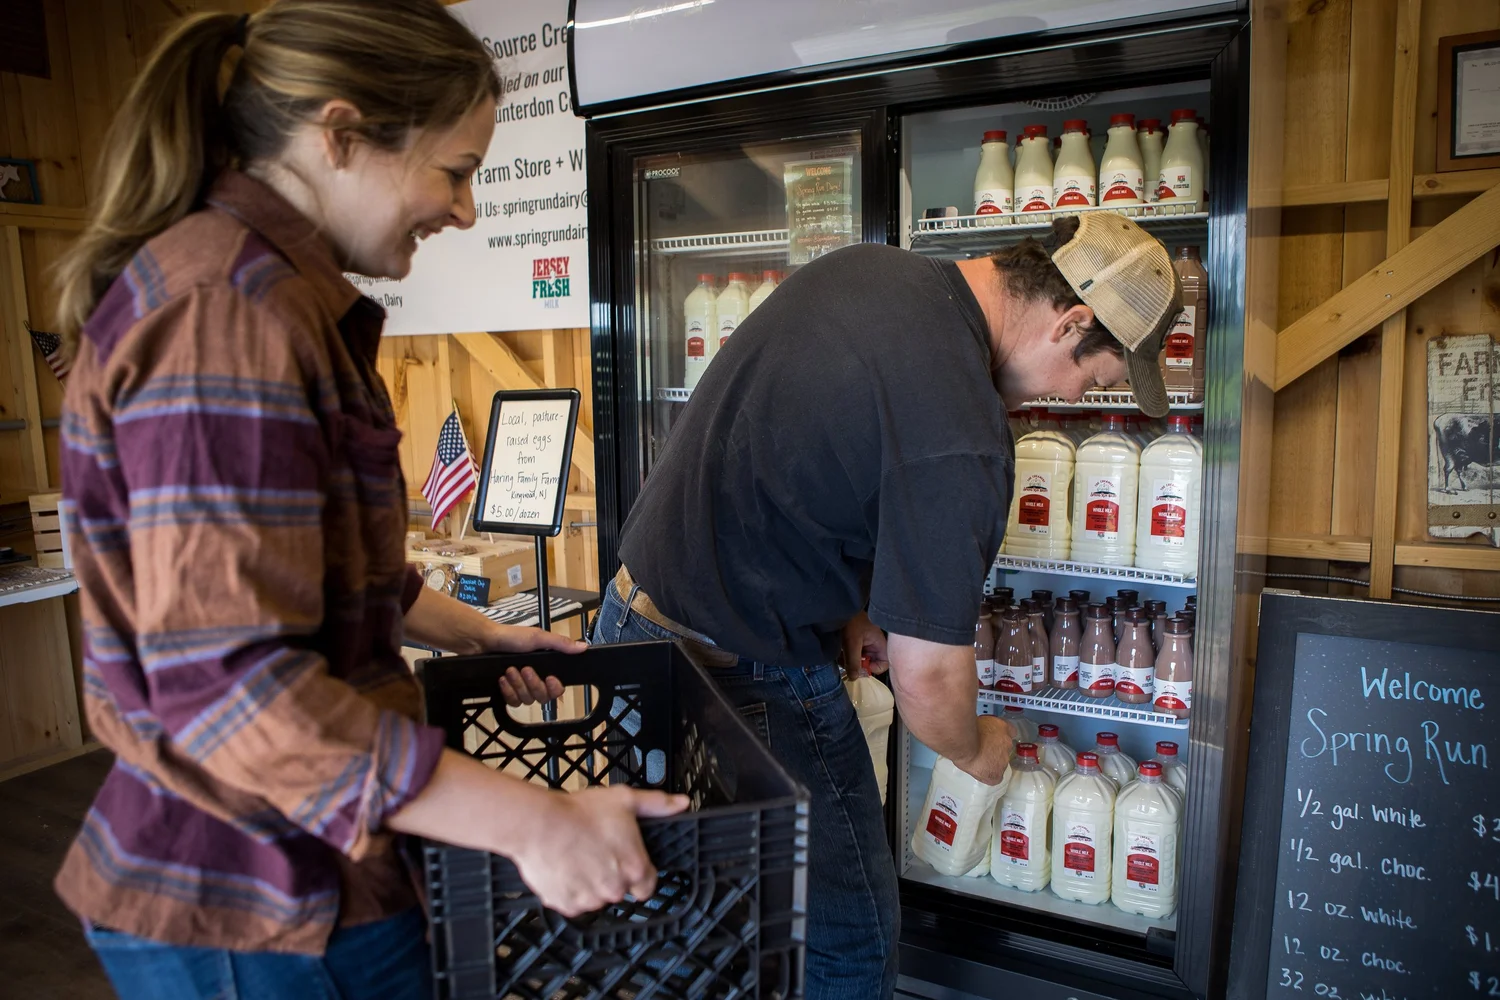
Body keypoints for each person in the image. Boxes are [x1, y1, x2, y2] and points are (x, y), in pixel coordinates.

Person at [51, 3, 685, 998]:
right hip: (259, 897)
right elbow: (223, 681)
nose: (464, 212)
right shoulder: (227, 314)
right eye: (456, 171)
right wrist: (534, 823)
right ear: (340, 137)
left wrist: (482, 635)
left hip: (321, 869)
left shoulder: (271, 297)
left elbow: (319, 577)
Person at [590, 215, 1181, 998]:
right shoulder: (963, 428)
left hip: (630, 627)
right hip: (742, 672)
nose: (1072, 397)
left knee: (669, 918)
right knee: (852, 941)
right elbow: (928, 684)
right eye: (1094, 380)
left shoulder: (873, 271)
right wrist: (977, 749)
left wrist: (853, 606)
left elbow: (808, 466)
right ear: (1070, 323)